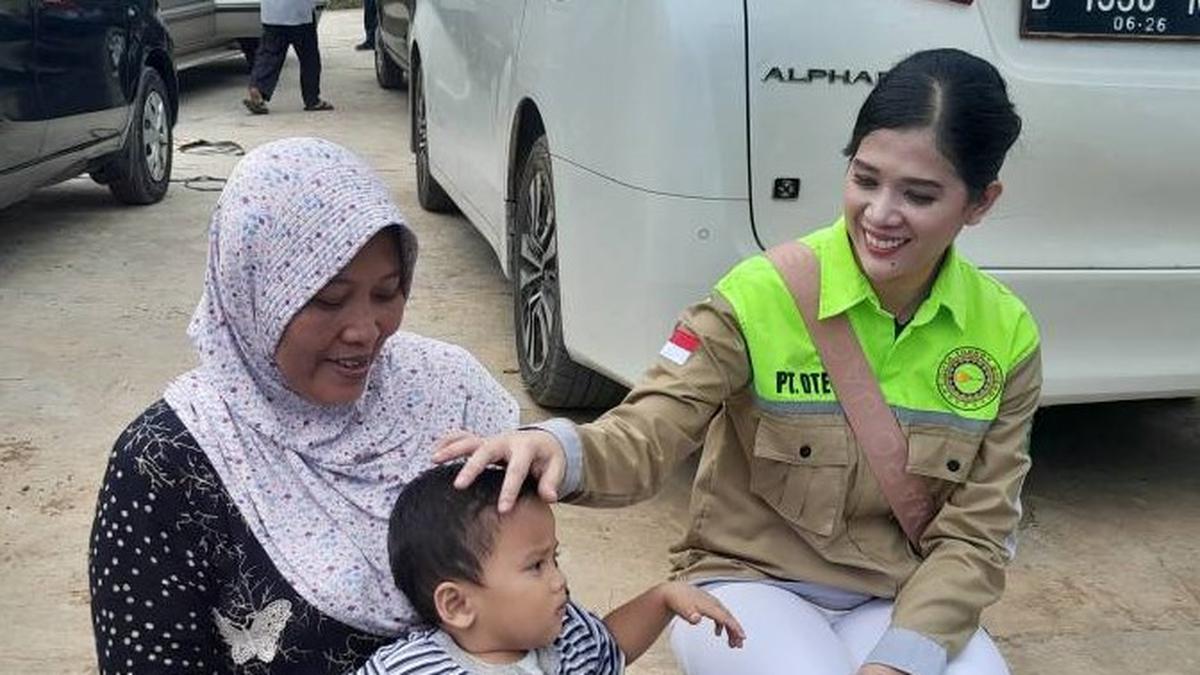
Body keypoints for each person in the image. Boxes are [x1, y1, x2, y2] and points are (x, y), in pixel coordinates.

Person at [435, 48, 1037, 675]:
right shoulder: (758, 295)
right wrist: (561, 448)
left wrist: (897, 661)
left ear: (980, 202)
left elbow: (978, 534)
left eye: (918, 195)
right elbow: (649, 429)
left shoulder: (1005, 333)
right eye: (864, 179)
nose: (881, 215)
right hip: (752, 584)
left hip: (897, 595)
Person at [87, 137, 519, 673]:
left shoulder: (452, 394)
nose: (365, 330)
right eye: (327, 300)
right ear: (253, 292)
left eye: (387, 293)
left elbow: (538, 600)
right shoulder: (165, 463)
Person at [354, 464, 744, 674]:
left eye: (555, 559)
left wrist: (663, 598)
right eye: (536, 566)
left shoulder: (566, 640)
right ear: (457, 604)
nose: (559, 579)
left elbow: (611, 647)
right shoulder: (408, 668)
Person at [243, 0, 333, 114]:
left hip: (272, 14)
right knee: (309, 57)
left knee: (268, 54)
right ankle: (312, 99)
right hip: (299, 14)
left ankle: (258, 88)